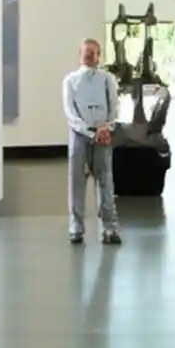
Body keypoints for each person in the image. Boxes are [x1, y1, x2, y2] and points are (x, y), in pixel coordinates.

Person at [62, 38, 121, 245]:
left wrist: (106, 128)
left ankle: (110, 227)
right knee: (77, 182)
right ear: (80, 55)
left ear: (99, 56)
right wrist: (89, 132)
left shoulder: (108, 80)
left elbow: (114, 108)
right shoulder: (70, 81)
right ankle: (76, 227)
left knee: (106, 181)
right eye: (87, 52)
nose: (90, 55)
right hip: (80, 137)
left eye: (95, 52)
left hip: (103, 136)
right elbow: (70, 114)